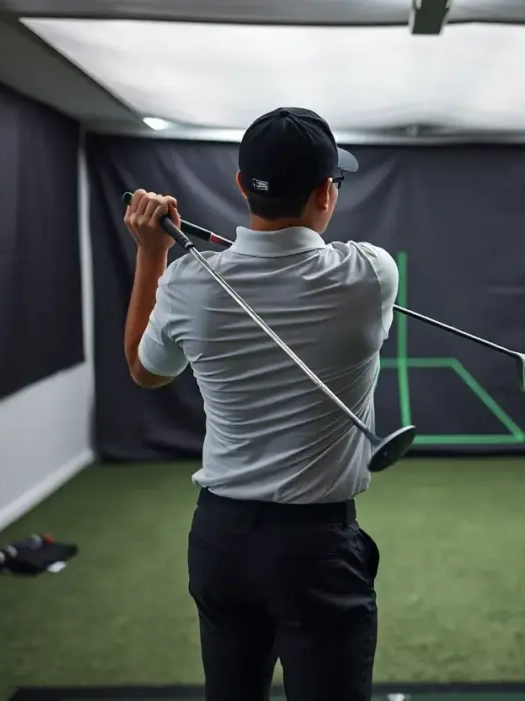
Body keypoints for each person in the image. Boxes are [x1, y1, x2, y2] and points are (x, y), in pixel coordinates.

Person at [120, 107, 399, 701]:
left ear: (242, 184)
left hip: (222, 540)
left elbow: (145, 372)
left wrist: (151, 253)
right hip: (318, 549)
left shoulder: (189, 283)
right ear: (327, 192)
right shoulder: (372, 273)